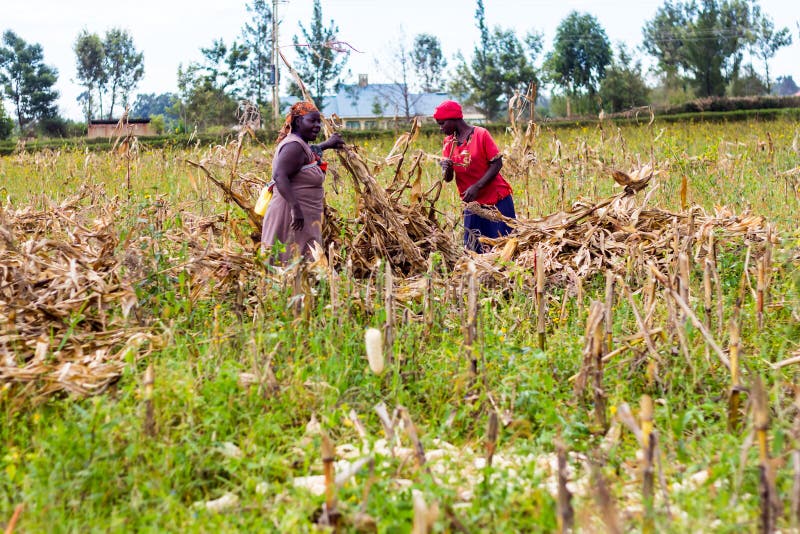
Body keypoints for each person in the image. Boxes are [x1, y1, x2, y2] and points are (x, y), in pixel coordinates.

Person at [261, 101, 344, 263]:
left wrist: (327, 144)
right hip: (290, 215)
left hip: (301, 218)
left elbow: (306, 157)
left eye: (318, 121)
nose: (317, 126)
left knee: (301, 267)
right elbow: (280, 176)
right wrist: (295, 208)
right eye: (311, 121)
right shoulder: (294, 145)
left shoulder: (300, 145)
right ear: (298, 122)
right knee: (287, 264)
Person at [435, 100, 516, 253]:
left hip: (497, 201)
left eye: (442, 123)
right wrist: (447, 169)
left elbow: (497, 164)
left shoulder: (481, 134)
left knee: (503, 248)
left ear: (454, 119)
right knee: (474, 251)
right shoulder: (448, 143)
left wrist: (477, 186)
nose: (441, 128)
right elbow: (448, 178)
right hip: (473, 205)